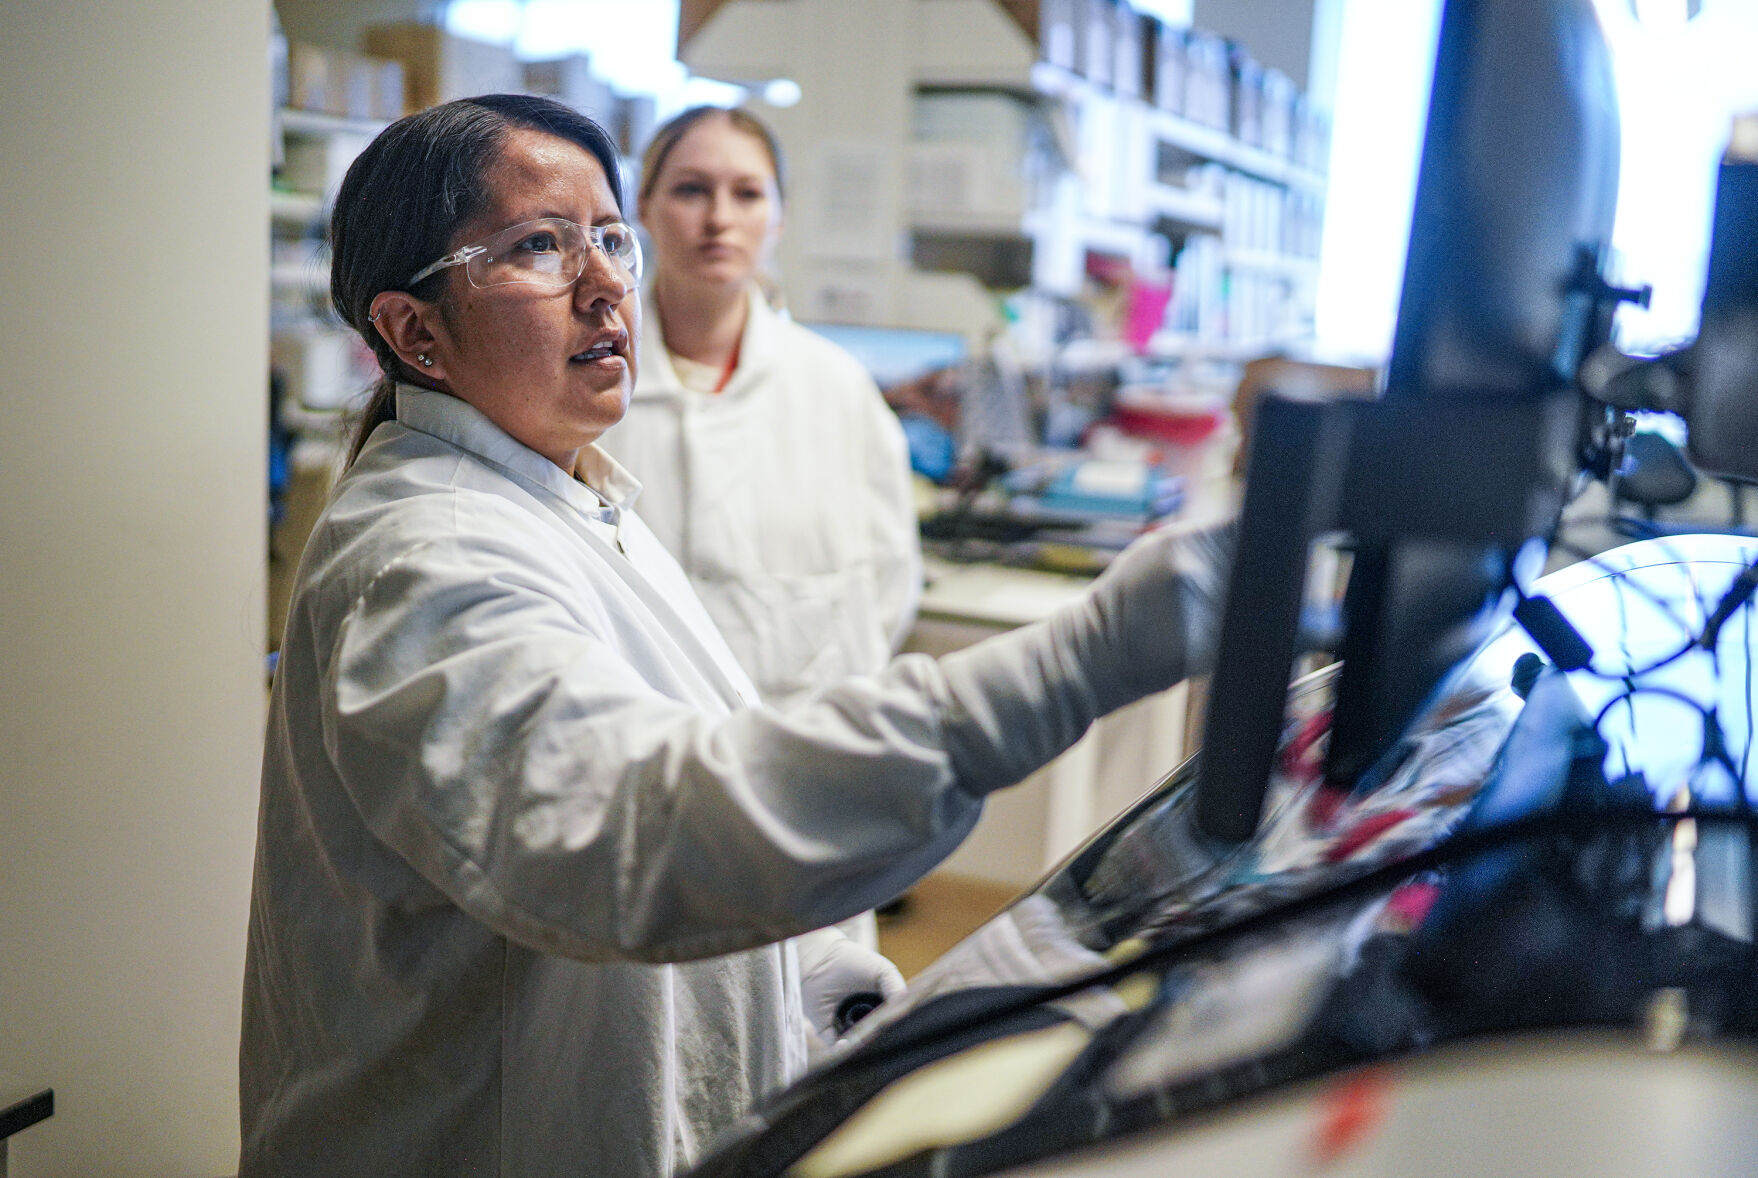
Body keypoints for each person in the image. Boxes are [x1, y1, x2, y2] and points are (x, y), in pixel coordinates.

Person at [238, 94, 1232, 1178]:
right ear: (414, 331)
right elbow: (637, 826)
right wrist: (1081, 657)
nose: (606, 282)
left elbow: (695, 754)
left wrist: (803, 981)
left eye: (608, 236)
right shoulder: (423, 557)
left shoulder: (574, 494)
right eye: (539, 246)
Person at [600, 106, 919, 950]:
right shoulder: (589, 383)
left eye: (747, 193)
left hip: (807, 791)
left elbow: (888, 585)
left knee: (812, 1000)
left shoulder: (834, 390)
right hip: (640, 792)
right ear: (643, 207)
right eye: (690, 190)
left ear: (779, 215)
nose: (718, 218)